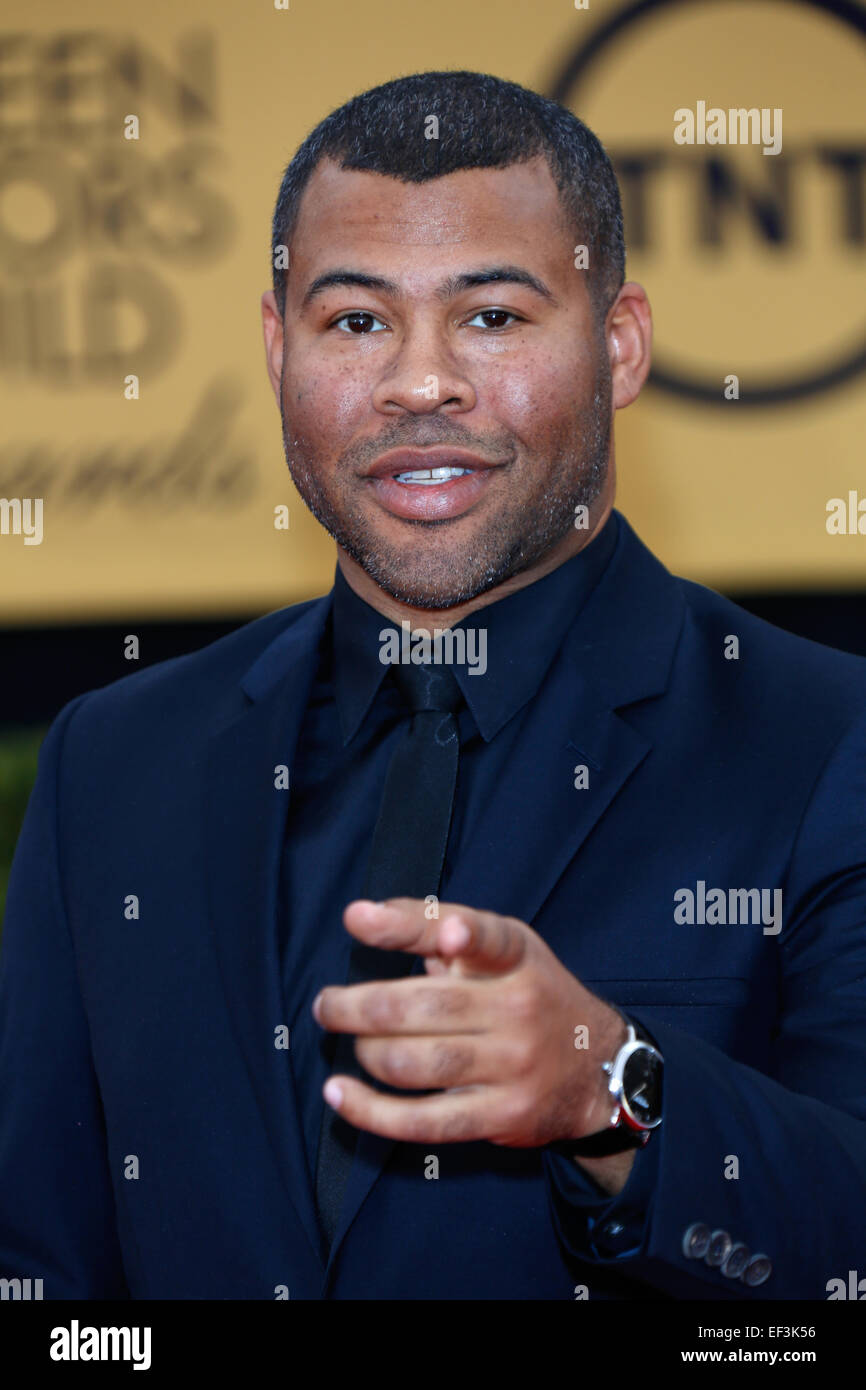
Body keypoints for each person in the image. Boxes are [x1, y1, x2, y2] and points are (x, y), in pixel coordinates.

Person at [2, 70, 865, 1302]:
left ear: (618, 346)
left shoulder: (827, 741)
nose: (418, 383)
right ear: (274, 345)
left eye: (492, 319)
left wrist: (611, 1085)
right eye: (355, 321)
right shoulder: (115, 761)